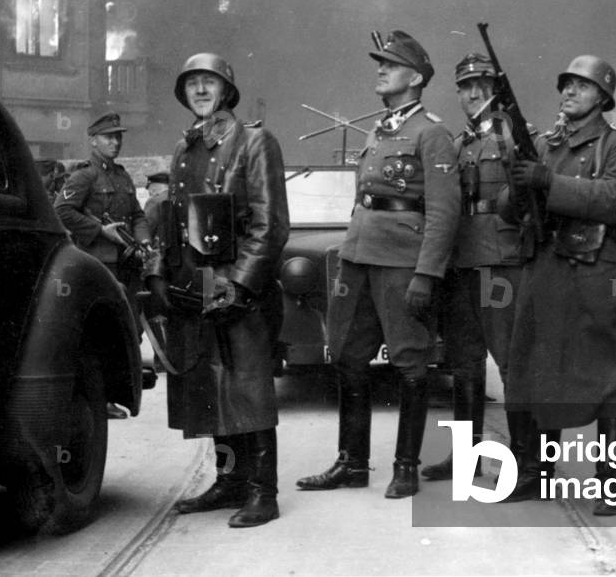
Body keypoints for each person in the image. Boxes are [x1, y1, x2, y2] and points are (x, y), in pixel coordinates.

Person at [297, 30, 460, 499]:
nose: (380, 71)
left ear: (414, 77)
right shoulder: (381, 130)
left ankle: (406, 465)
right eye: (380, 64)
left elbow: (444, 214)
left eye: (389, 65)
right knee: (349, 356)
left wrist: (426, 274)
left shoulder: (431, 133)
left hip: (401, 264)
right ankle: (351, 463)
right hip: (359, 257)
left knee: (410, 363)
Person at [144, 53, 289, 528]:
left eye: (209, 82)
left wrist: (241, 285)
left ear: (227, 90)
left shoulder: (254, 142)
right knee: (210, 387)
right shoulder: (186, 149)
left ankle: (262, 492)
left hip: (239, 287)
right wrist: (159, 274)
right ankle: (230, 482)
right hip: (195, 284)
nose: (200, 91)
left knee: (248, 386)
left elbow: (270, 227)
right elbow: (171, 220)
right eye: (192, 84)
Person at [505, 54, 616, 515]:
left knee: (608, 374)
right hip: (547, 267)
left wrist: (547, 180)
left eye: (580, 86)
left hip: (595, 267)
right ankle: (537, 476)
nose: (569, 92)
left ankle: (609, 485)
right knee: (539, 366)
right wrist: (516, 180)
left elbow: (614, 200)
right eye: (566, 85)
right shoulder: (544, 144)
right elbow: (513, 210)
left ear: (602, 96)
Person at [421, 53, 533, 481]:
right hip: (462, 264)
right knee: (464, 363)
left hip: (500, 264)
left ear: (496, 89)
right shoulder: (459, 144)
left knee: (510, 362)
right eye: (465, 87)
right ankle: (466, 459)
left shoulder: (516, 138)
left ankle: (525, 463)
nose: (472, 94)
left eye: (481, 86)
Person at [55, 112, 151, 420]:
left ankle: (117, 393)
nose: (115, 142)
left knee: (130, 330)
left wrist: (144, 240)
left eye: (118, 136)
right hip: (100, 266)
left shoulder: (122, 177)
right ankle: (101, 399)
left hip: (127, 264)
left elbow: (137, 214)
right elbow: (62, 211)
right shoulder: (84, 176)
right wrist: (99, 231)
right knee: (101, 332)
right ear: (93, 141)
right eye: (108, 137)